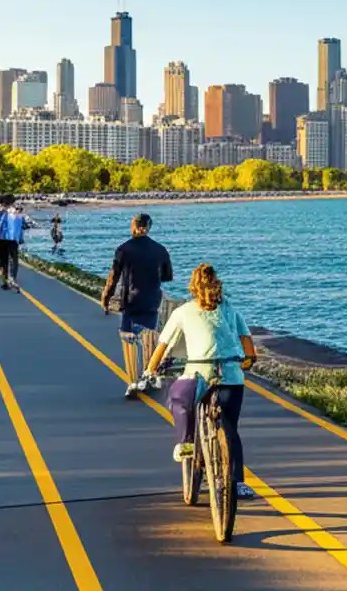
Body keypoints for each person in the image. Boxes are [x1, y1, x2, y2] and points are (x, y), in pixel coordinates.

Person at [144, 264, 257, 499]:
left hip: (199, 374)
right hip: (231, 377)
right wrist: (247, 361)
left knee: (178, 398)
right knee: (230, 429)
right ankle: (238, 483)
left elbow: (162, 346)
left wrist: (150, 370)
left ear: (193, 287)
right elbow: (246, 341)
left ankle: (187, 443)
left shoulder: (183, 312)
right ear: (217, 285)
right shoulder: (228, 308)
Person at [100, 213, 173, 333]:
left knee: (128, 340)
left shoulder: (123, 249)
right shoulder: (160, 250)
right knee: (148, 339)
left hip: (131, 302)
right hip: (151, 302)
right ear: (148, 227)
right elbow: (167, 276)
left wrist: (105, 299)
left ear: (133, 226)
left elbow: (113, 279)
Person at [0, 201, 28, 292]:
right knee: (14, 259)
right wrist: (20, 238)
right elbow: (21, 227)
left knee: (3, 259)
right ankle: (13, 278)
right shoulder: (18, 214)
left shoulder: (1, 212)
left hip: (3, 239)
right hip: (14, 239)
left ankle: (5, 280)